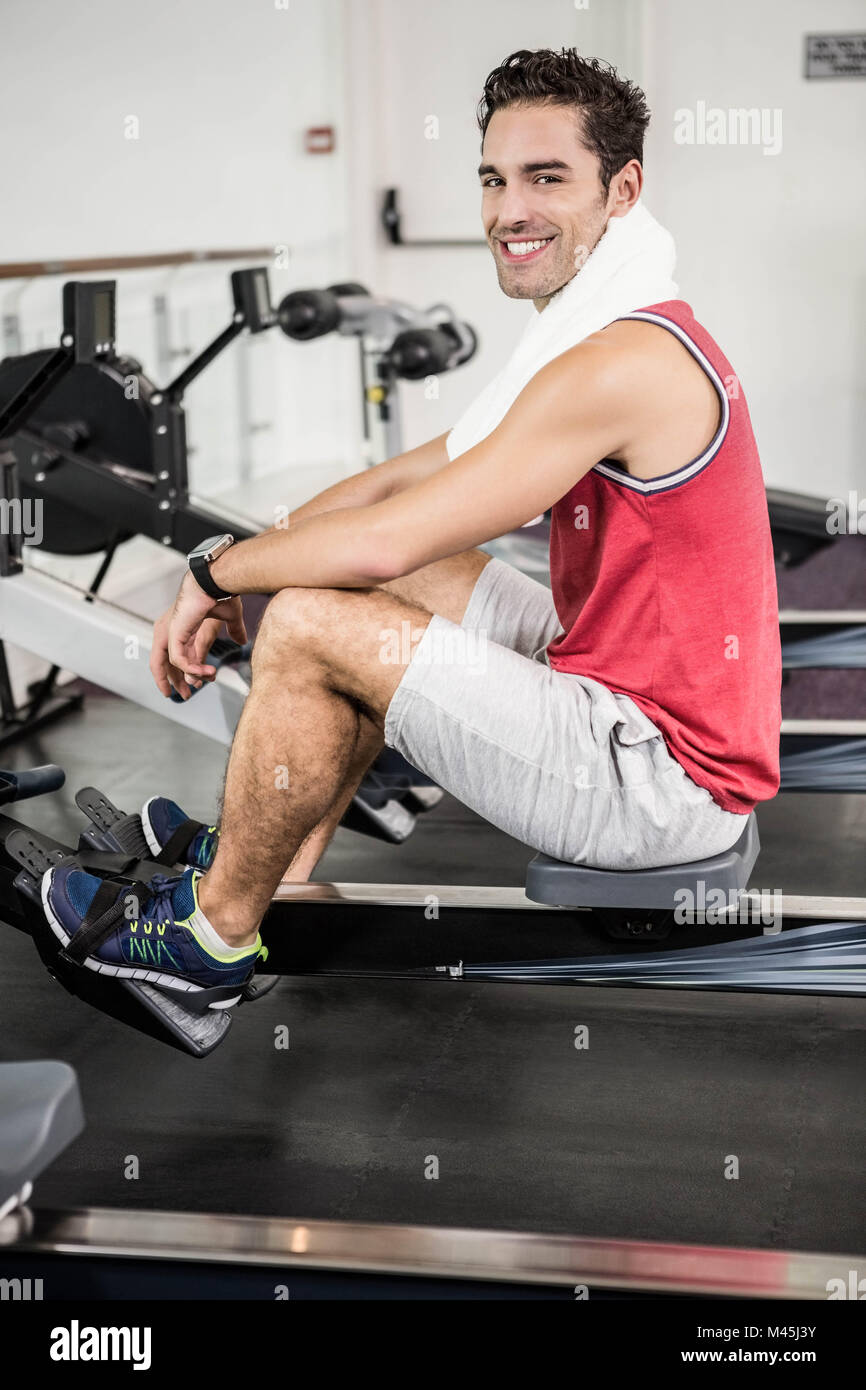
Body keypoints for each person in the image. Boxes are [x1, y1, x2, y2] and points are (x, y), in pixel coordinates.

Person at [42, 48, 782, 1007]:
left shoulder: (620, 362)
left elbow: (390, 538)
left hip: (658, 783)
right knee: (385, 585)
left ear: (622, 188)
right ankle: (266, 868)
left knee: (316, 617)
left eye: (547, 178)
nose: (510, 210)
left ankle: (208, 940)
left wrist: (221, 573)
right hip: (614, 690)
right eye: (494, 178)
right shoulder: (614, 320)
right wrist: (243, 565)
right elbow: (403, 478)